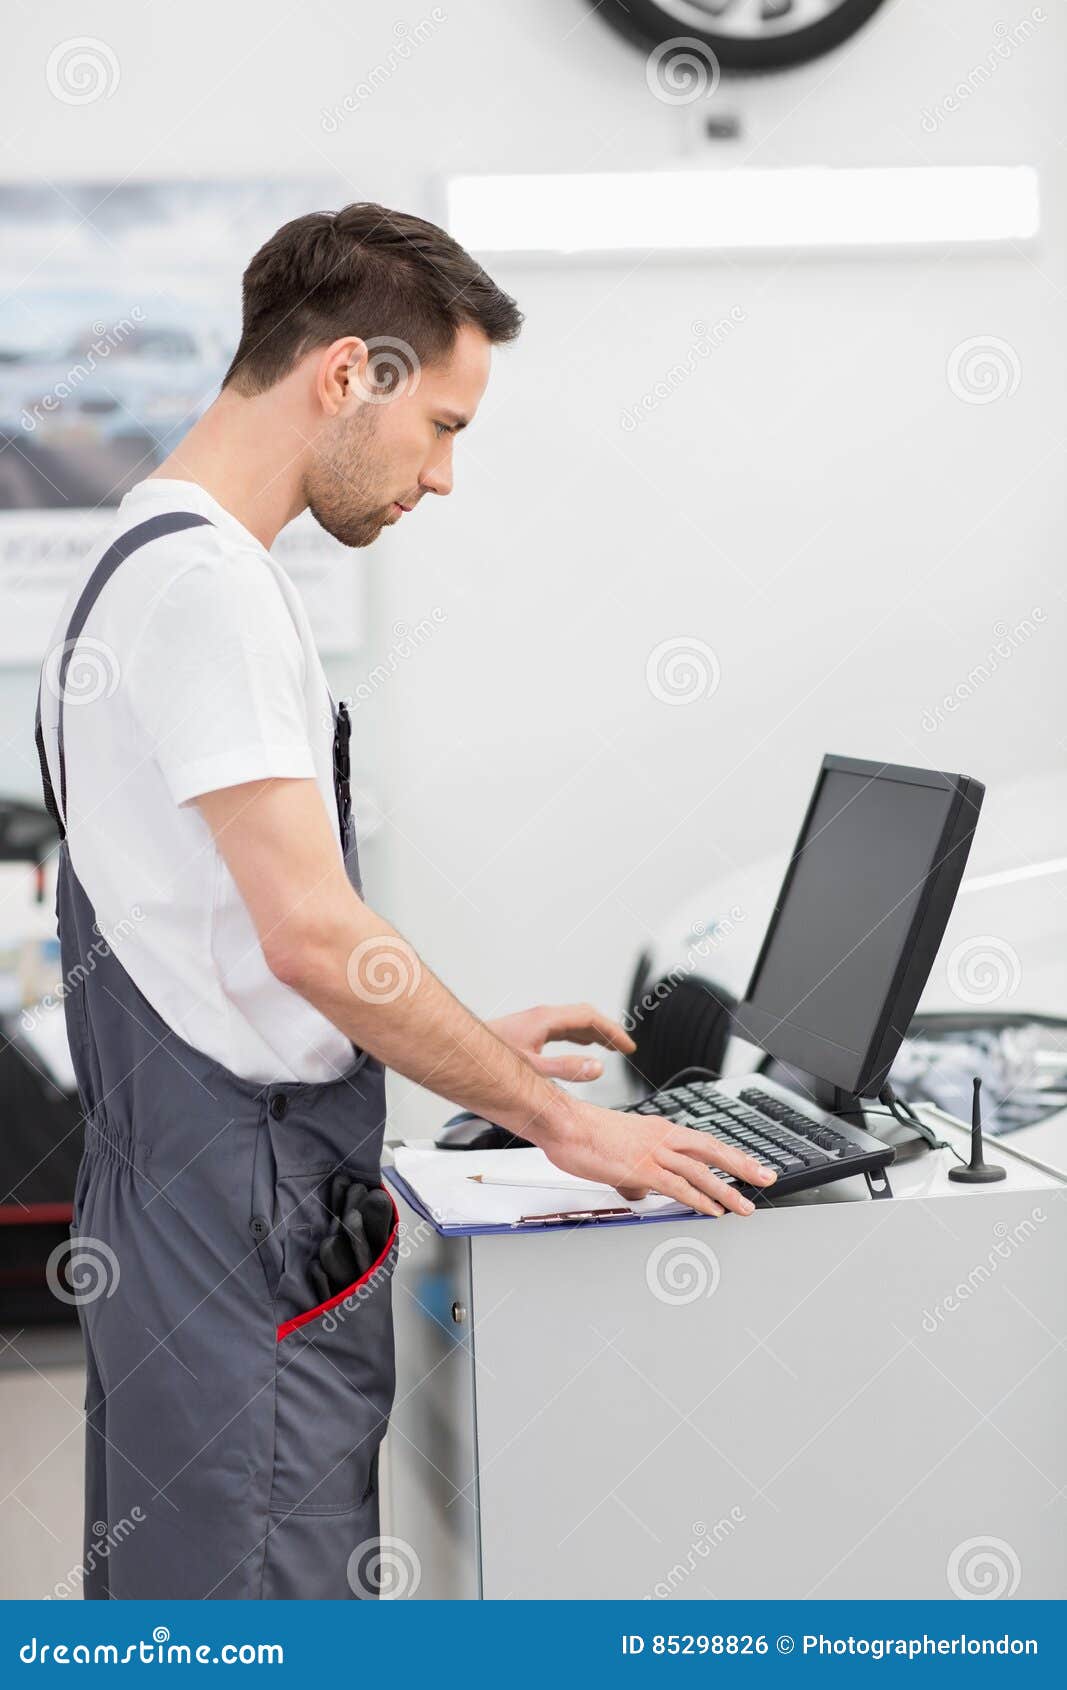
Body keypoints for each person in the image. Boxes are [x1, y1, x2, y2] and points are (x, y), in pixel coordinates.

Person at [35, 202, 775, 1600]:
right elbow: (314, 935)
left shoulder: (140, 564)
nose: (442, 478)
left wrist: (473, 1043)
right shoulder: (211, 590)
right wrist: (555, 1118)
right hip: (239, 1235)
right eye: (443, 424)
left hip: (178, 1212)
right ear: (347, 376)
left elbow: (214, 951)